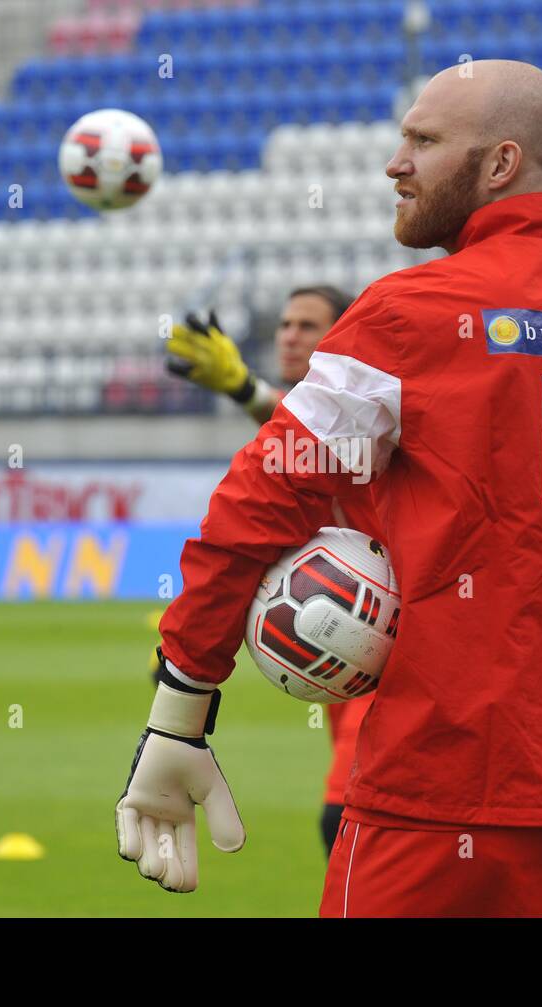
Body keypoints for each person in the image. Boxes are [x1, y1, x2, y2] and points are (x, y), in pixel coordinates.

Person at [116, 59, 542, 916]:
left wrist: (181, 708)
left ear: (500, 164)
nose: (395, 163)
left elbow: (257, 505)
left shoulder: (405, 319)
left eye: (422, 140)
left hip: (441, 807)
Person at [163, 285, 377, 857]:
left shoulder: (372, 421)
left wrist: (243, 387)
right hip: (343, 640)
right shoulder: (308, 425)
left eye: (307, 326)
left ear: (340, 338)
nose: (288, 334)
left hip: (382, 640)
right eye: (284, 323)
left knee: (348, 819)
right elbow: (296, 426)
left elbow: (314, 430)